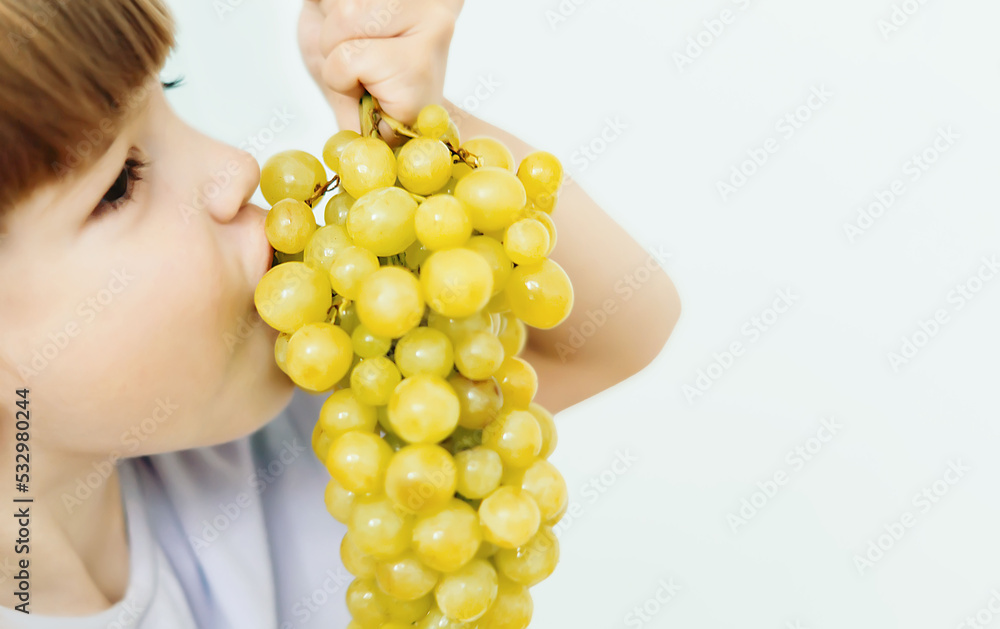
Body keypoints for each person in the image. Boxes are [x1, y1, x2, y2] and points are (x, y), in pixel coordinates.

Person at [0, 0, 681, 626]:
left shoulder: (268, 427)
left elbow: (611, 333)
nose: (238, 165)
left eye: (170, 92)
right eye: (120, 181)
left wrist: (415, 134)